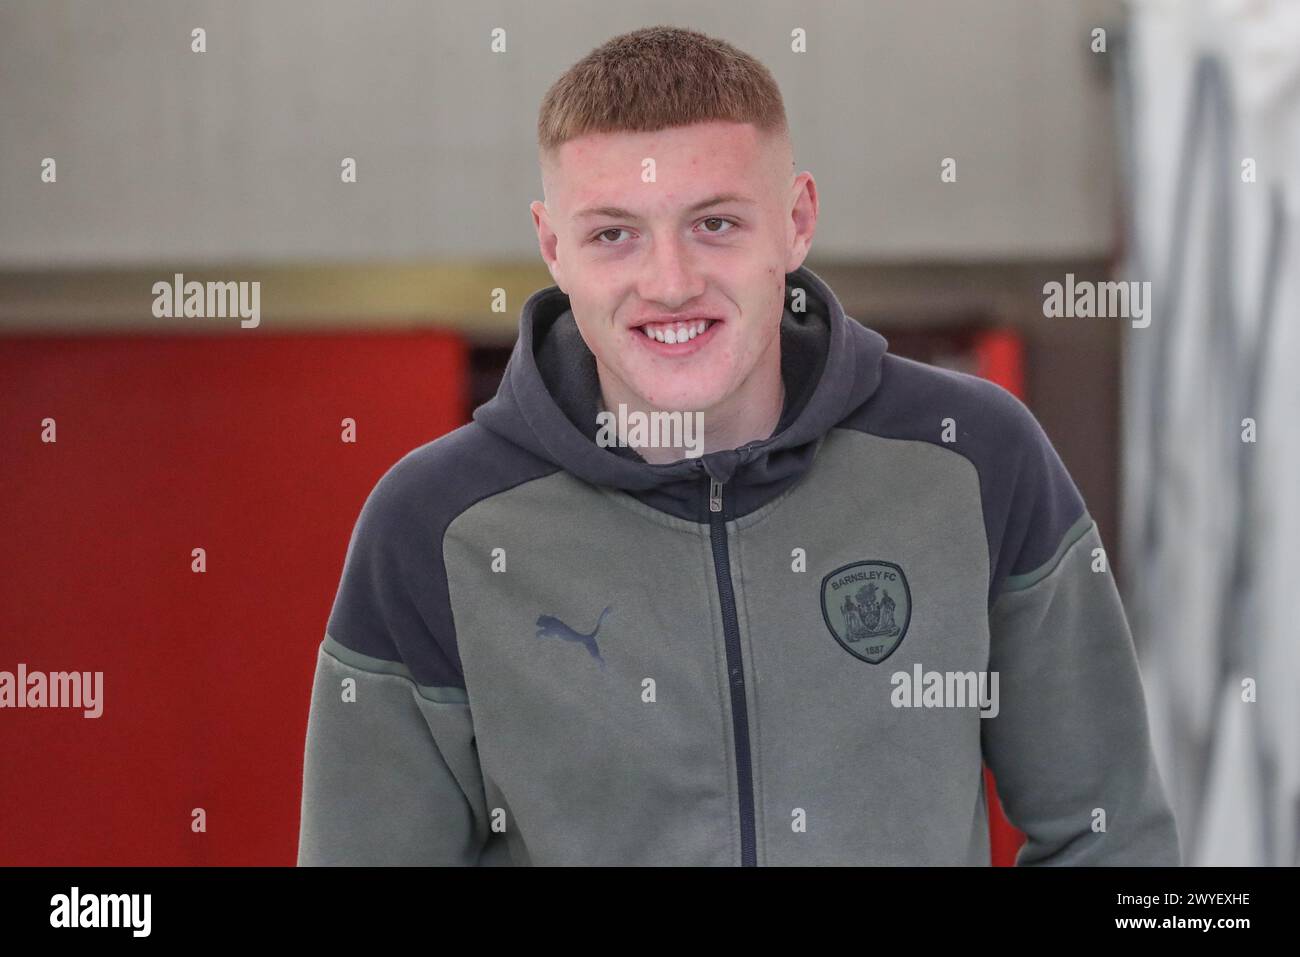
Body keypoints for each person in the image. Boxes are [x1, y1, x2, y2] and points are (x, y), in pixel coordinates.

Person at [295, 25, 1180, 866]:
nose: (670, 283)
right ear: (552, 246)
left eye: (715, 223)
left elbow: (1108, 835)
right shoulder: (435, 527)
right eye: (613, 234)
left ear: (796, 221)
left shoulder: (973, 460)